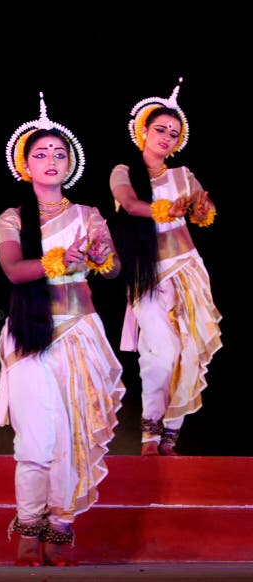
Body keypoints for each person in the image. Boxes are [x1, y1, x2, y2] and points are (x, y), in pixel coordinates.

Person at [0, 93, 125, 567]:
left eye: (59, 153)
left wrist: (102, 256)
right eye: (41, 153)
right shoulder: (11, 219)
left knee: (72, 438)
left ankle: (60, 527)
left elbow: (112, 269)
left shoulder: (89, 214)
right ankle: (29, 530)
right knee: (35, 440)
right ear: (24, 165)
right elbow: (14, 270)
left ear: (70, 163)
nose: (51, 160)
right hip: (31, 334)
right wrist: (57, 262)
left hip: (81, 333)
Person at [110, 78, 221, 456]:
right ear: (143, 130)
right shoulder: (124, 171)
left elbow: (202, 210)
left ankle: (168, 436)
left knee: (189, 352)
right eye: (161, 129)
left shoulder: (183, 175)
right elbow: (128, 203)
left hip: (187, 269)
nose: (167, 138)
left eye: (174, 134)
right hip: (149, 275)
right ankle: (149, 433)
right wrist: (165, 211)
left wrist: (201, 210)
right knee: (162, 351)